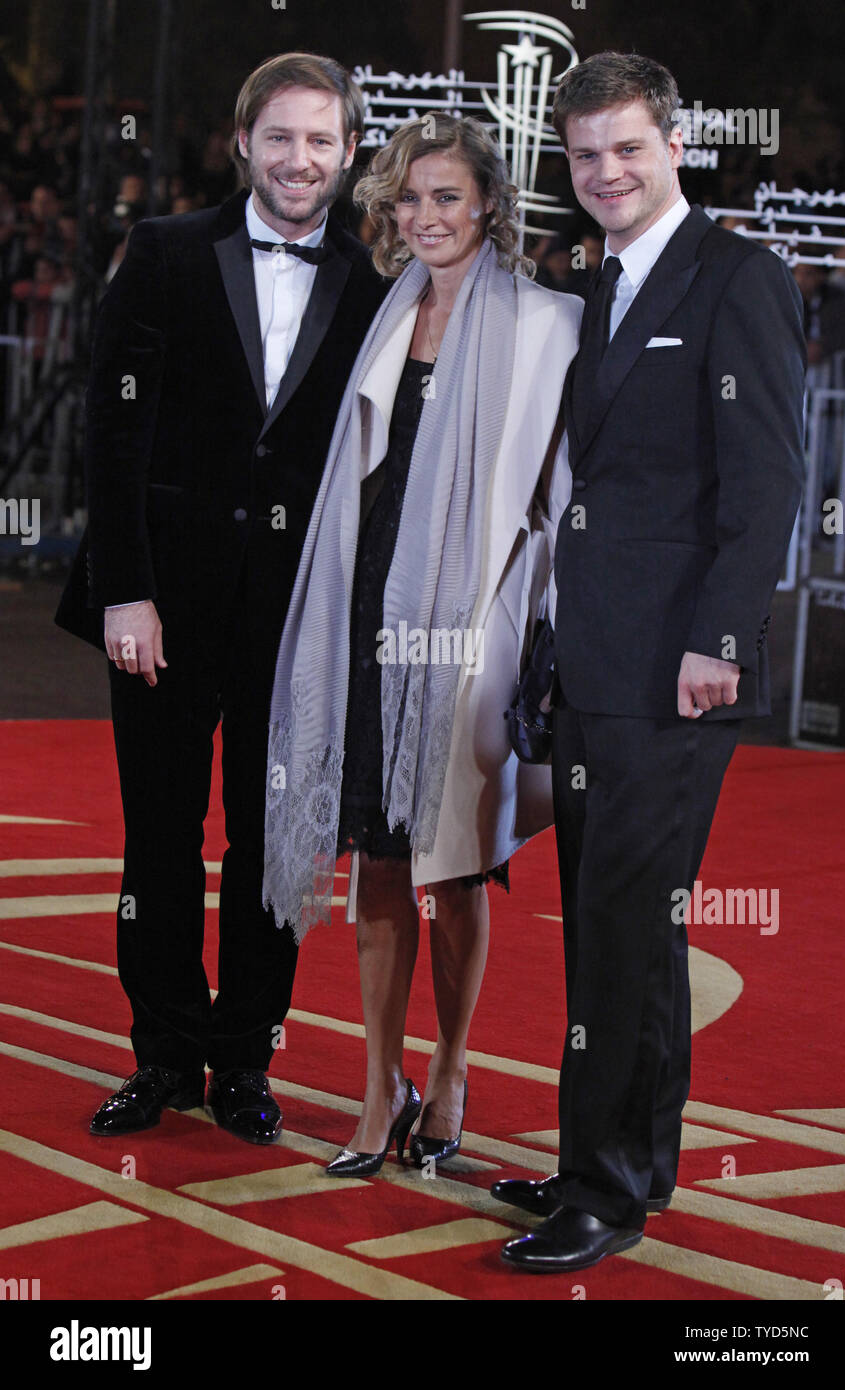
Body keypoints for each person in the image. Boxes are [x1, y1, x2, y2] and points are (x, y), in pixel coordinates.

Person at [494, 51, 806, 1271]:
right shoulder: (591, 279)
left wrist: (717, 643)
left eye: (627, 147)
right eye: (584, 155)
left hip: (676, 668)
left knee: (624, 926)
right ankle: (623, 1162)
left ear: (673, 144)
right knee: (625, 924)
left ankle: (606, 1189)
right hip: (592, 657)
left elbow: (770, 475)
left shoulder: (739, 277)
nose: (606, 172)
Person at [54, 53, 387, 1144]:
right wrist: (125, 592)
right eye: (281, 137)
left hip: (295, 617)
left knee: (270, 843)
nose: (301, 160)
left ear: (347, 153)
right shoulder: (163, 251)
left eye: (322, 141)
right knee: (159, 835)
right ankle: (161, 1056)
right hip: (163, 606)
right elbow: (112, 429)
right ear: (242, 142)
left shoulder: (372, 277)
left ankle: (244, 1057)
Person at [263, 114, 581, 1175]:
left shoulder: (547, 323)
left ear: (488, 203)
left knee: (452, 864)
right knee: (381, 868)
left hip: (467, 631)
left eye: (446, 196)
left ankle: (447, 1070)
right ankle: (375, 1086)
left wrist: (525, 616)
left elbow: (560, 498)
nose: (426, 216)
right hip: (369, 619)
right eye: (409, 199)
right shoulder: (384, 317)